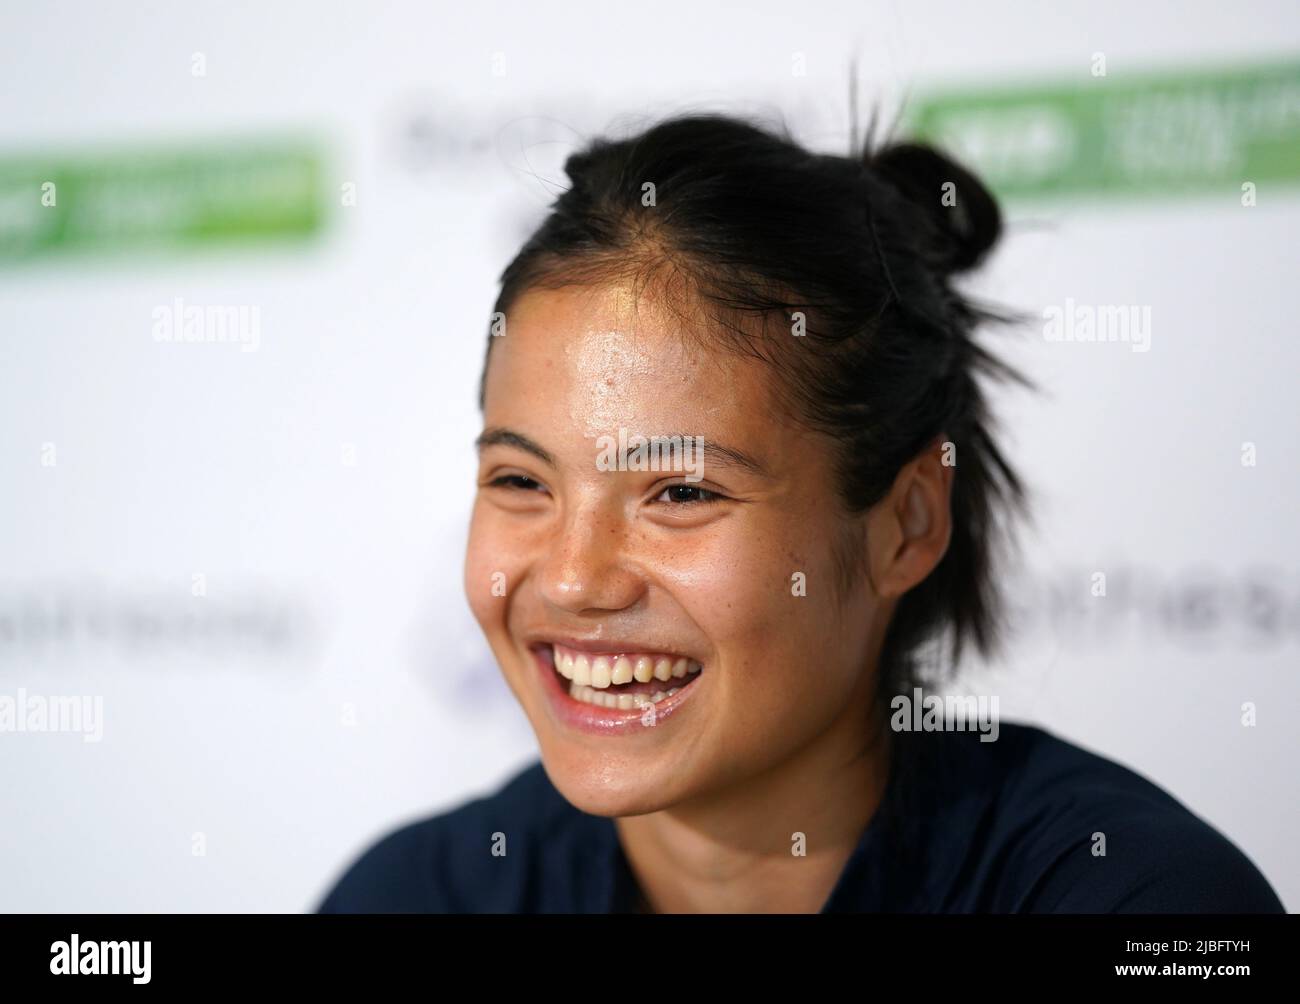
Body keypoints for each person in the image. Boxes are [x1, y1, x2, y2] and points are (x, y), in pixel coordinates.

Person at [317, 111, 1284, 913]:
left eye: (681, 494)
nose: (573, 577)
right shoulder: (413, 897)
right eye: (522, 482)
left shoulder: (1139, 903)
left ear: (905, 523)